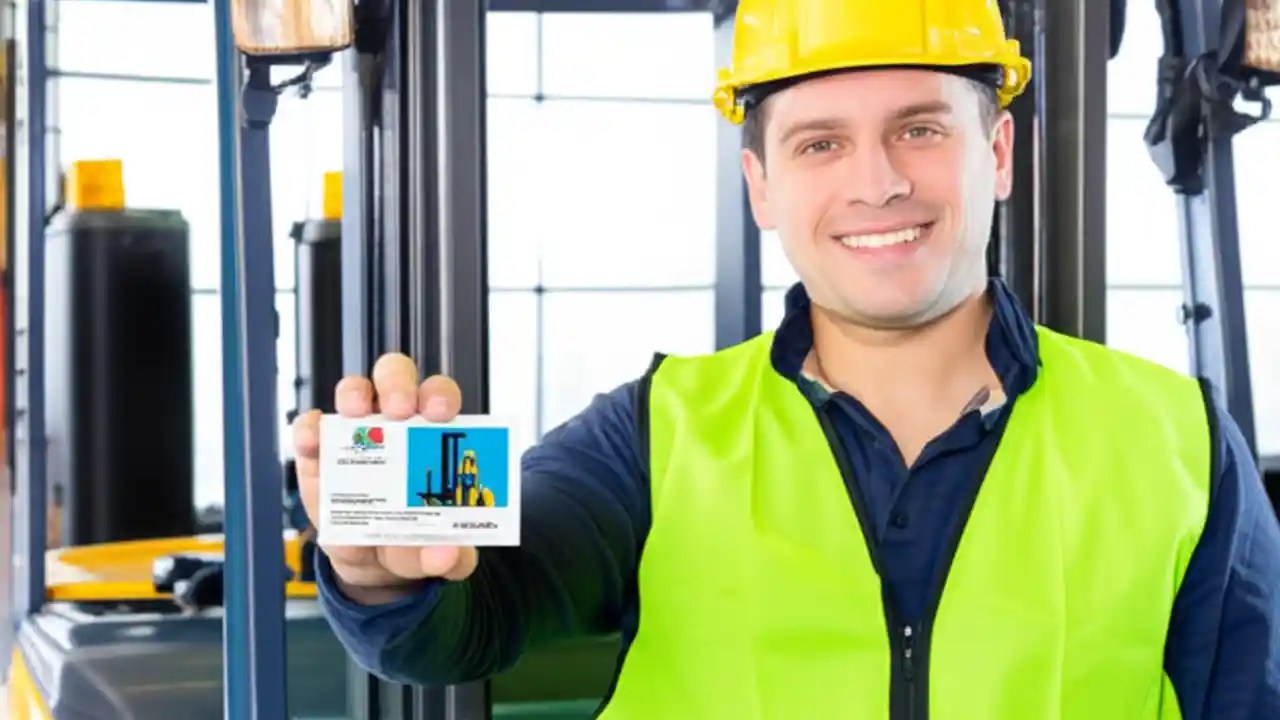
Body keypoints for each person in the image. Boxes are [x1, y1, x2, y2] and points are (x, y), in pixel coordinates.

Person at [291, 0, 1280, 716]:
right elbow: (481, 611)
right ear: (761, 187)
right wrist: (387, 577)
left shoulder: (1175, 442)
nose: (878, 182)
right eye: (818, 145)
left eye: (920, 129)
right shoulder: (654, 433)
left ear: (1000, 153)